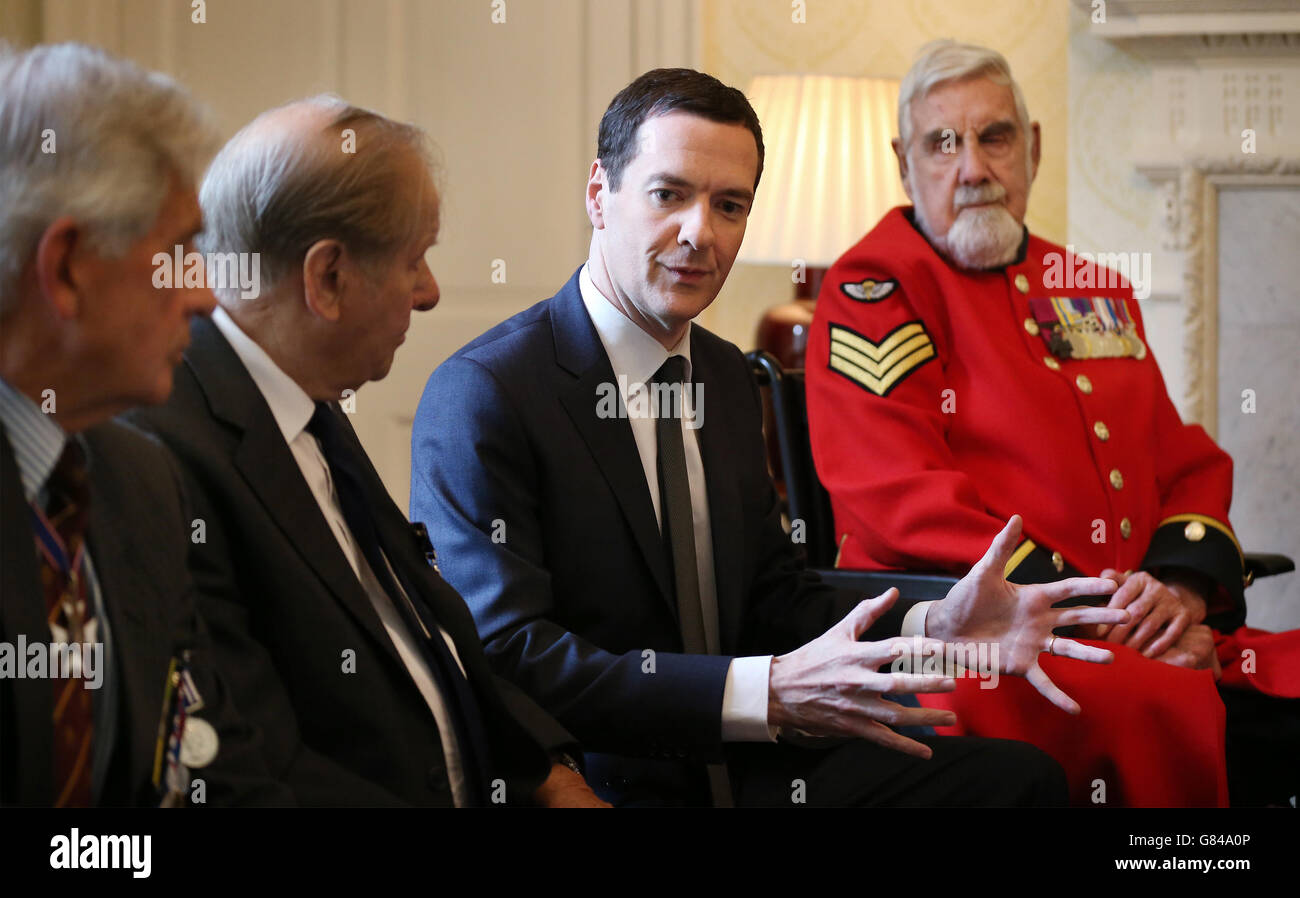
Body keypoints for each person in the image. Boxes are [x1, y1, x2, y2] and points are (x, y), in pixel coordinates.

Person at [410, 67, 1129, 807]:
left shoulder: (724, 377)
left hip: (756, 763)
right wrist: (764, 691)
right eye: (669, 195)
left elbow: (770, 596)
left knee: (1020, 781)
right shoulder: (486, 393)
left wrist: (933, 623)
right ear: (600, 193)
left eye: (729, 205)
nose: (701, 233)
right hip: (607, 776)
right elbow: (506, 654)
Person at [807, 39, 1299, 806]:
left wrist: (1179, 593)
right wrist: (1109, 620)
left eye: (994, 137)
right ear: (904, 161)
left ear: (1031, 151)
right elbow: (903, 502)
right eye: (943, 143)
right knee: (1164, 704)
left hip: (1137, 626)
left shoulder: (1089, 288)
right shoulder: (877, 286)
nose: (972, 168)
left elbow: (1184, 463)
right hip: (984, 643)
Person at [126, 96, 605, 807]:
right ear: (327, 278)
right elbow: (249, 761)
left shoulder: (308, 397)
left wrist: (545, 775)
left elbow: (428, 630)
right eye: (415, 260)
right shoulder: (166, 452)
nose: (432, 292)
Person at [0, 42, 290, 807]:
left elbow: (203, 761)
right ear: (65, 267)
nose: (206, 296)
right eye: (177, 252)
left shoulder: (138, 480)